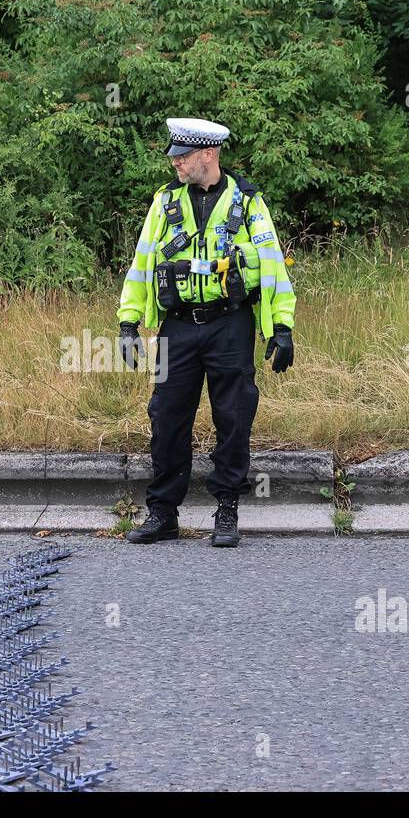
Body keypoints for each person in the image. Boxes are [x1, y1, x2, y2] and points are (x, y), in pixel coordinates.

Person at [116, 117, 296, 548]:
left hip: (229, 324)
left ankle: (227, 510)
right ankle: (163, 513)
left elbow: (272, 269)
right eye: (175, 157)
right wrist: (128, 321)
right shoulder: (165, 203)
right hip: (176, 327)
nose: (175, 164)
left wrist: (282, 327)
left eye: (183, 157)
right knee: (166, 417)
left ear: (208, 155)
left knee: (233, 418)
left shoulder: (248, 202)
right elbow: (142, 263)